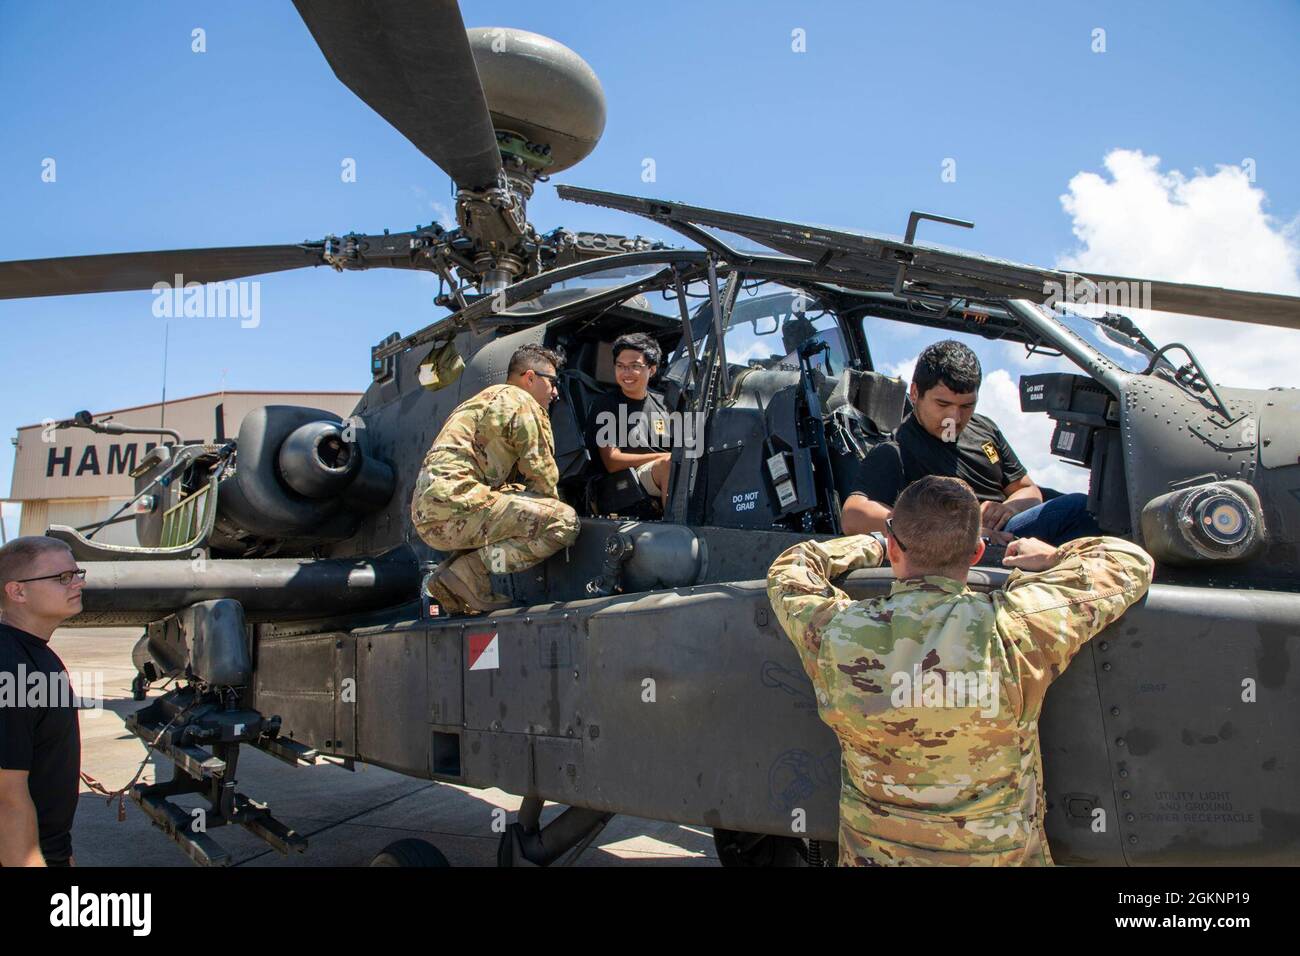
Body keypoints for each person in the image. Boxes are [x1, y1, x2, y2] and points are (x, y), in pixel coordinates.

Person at [767, 475, 1154, 866]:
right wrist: (1054, 556)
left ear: (895, 548)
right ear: (977, 553)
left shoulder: (838, 632)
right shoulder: (1016, 626)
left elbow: (790, 570)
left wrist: (873, 544)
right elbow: (1129, 561)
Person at [841, 339, 1101, 546]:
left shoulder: (985, 429)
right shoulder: (895, 452)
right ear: (916, 392)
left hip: (1006, 529)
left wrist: (1009, 508)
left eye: (966, 406)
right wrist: (954, 533)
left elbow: (1028, 490)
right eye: (943, 404)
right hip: (966, 548)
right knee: (1079, 509)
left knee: (1097, 508)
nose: (954, 417)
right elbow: (853, 516)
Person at [412, 344, 580, 615]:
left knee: (511, 499)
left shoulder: (481, 399)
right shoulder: (523, 402)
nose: (555, 392)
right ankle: (472, 570)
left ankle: (446, 578)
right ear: (530, 377)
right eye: (552, 382)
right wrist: (549, 510)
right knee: (563, 522)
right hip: (459, 506)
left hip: (429, 518)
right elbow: (541, 473)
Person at [0, 536, 86, 867]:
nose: (77, 583)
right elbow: (7, 799)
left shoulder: (35, 654)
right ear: (17, 592)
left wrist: (62, 853)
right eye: (62, 577)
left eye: (77, 574)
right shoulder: (11, 666)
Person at [585, 333, 673, 510]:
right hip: (622, 481)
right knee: (668, 466)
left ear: (652, 369)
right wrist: (664, 457)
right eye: (620, 366)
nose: (626, 373)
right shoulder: (605, 405)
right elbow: (612, 461)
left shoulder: (665, 404)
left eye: (635, 366)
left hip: (659, 473)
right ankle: (675, 523)